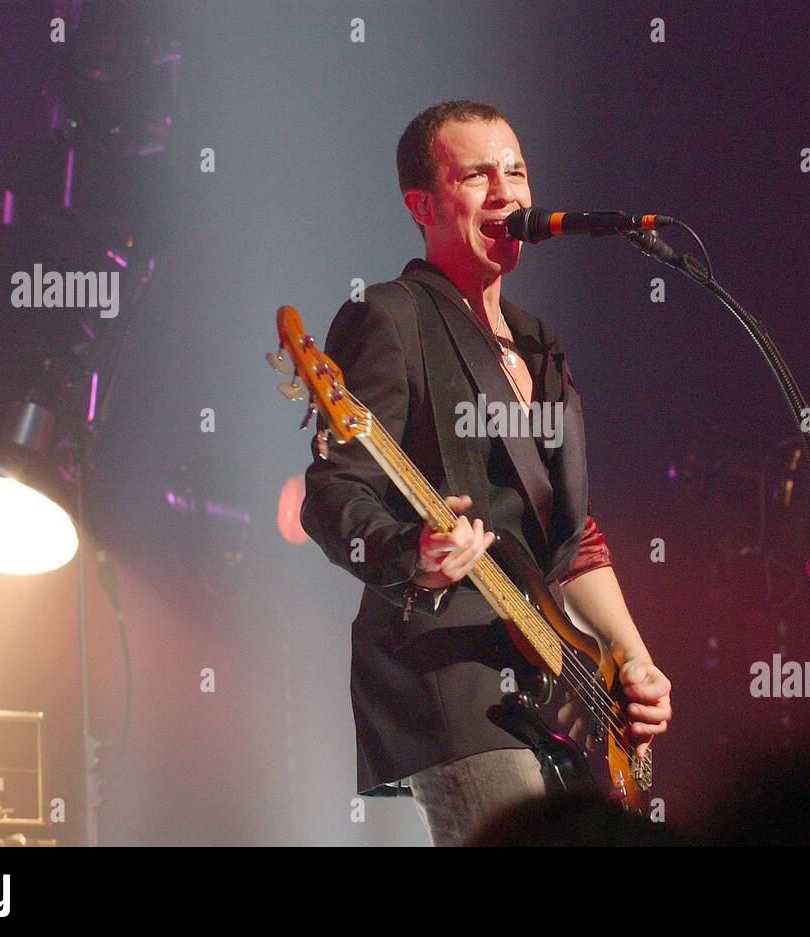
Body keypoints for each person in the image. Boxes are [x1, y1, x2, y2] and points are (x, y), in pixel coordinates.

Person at [299, 101, 671, 845]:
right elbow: (333, 492)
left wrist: (632, 657)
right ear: (423, 205)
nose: (506, 192)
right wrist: (417, 557)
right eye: (476, 174)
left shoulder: (540, 343)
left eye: (517, 171)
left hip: (555, 680)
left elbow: (573, 536)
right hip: (450, 665)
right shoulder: (389, 316)